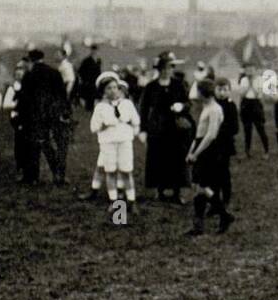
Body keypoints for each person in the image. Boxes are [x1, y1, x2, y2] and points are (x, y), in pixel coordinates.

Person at [139, 51, 192, 203]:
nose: (168, 71)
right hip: (157, 127)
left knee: (176, 158)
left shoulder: (178, 84)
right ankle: (160, 191)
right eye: (166, 68)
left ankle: (176, 192)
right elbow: (143, 109)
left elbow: (188, 103)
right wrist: (143, 129)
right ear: (159, 69)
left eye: (171, 67)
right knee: (158, 158)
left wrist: (181, 105)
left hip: (176, 127)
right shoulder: (151, 87)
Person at [87, 71, 142, 212]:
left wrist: (130, 128)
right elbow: (93, 127)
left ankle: (131, 201)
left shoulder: (127, 104)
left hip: (124, 141)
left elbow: (136, 121)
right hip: (108, 142)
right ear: (104, 91)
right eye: (109, 88)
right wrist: (104, 125)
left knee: (126, 171)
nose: (113, 91)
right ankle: (115, 202)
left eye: (115, 87)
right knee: (110, 171)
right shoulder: (100, 107)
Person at [185, 78, 234, 235]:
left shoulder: (214, 109)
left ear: (202, 93)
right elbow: (199, 134)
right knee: (200, 188)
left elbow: (211, 135)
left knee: (202, 187)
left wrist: (196, 153)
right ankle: (201, 225)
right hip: (202, 147)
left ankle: (222, 216)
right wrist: (191, 152)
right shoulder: (207, 107)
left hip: (209, 151)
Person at [18, 48, 72, 185]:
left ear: (30, 60)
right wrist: (65, 111)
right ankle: (58, 175)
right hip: (53, 114)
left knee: (34, 146)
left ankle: (33, 177)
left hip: (35, 116)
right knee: (51, 145)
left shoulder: (29, 75)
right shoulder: (54, 72)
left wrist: (21, 115)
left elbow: (24, 99)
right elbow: (62, 94)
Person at [214, 77, 240, 210]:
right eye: (219, 89)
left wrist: (220, 130)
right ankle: (215, 201)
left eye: (225, 90)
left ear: (229, 91)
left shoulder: (231, 106)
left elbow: (235, 128)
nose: (222, 93)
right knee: (212, 174)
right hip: (211, 144)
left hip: (224, 144)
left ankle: (226, 199)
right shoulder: (212, 105)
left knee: (224, 172)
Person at [237, 62, 270, 157]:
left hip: (256, 104)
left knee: (260, 128)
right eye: (247, 70)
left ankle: (266, 151)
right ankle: (247, 151)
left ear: (255, 70)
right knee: (247, 129)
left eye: (251, 70)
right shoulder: (243, 80)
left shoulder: (259, 79)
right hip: (246, 104)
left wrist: (251, 84)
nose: (249, 72)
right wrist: (248, 85)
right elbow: (242, 94)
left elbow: (258, 94)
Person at [75, 42, 102, 110]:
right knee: (89, 99)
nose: (95, 51)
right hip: (88, 83)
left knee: (94, 98)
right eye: (93, 49)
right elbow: (80, 71)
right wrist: (85, 80)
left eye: (96, 50)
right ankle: (88, 110)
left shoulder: (98, 61)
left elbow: (99, 72)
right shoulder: (87, 61)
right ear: (91, 50)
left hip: (95, 83)